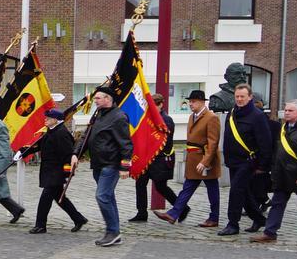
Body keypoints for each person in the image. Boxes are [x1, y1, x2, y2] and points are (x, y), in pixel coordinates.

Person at [250, 100, 297, 244]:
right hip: (282, 174)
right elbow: (278, 151)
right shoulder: (284, 128)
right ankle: (270, 232)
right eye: (285, 110)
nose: (286, 113)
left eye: (290, 110)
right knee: (277, 203)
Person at [156, 90, 220, 228]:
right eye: (190, 101)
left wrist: (205, 161)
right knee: (187, 188)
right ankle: (173, 214)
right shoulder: (192, 116)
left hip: (205, 159)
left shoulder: (211, 117)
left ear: (202, 102)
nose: (190, 104)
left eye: (193, 101)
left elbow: (213, 142)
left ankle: (214, 217)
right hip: (193, 159)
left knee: (212, 189)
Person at [17, 108, 87, 234]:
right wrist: (23, 151)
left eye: (48, 118)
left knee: (45, 198)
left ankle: (40, 225)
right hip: (49, 170)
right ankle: (79, 219)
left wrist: (67, 172)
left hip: (56, 172)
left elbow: (68, 154)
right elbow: (39, 145)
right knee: (60, 198)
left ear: (55, 120)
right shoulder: (51, 131)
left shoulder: (61, 133)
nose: (45, 120)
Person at [80, 87, 133, 247]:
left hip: (111, 164)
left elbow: (126, 143)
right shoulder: (99, 114)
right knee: (108, 197)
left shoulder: (118, 117)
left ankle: (112, 232)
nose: (94, 101)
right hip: (98, 163)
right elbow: (87, 136)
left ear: (108, 99)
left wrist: (125, 166)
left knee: (102, 196)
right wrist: (76, 153)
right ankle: (115, 232)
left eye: (98, 98)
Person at [218, 84, 272, 236]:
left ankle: (233, 224)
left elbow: (265, 142)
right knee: (244, 192)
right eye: (237, 96)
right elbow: (228, 137)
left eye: (242, 96)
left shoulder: (257, 116)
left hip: (248, 161)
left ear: (250, 97)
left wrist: (263, 165)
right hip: (233, 160)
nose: (239, 99)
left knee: (236, 190)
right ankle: (259, 219)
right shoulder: (232, 113)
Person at [130, 94, 177, 223]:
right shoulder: (147, 118)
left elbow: (165, 141)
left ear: (161, 104)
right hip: (146, 158)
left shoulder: (166, 120)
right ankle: (141, 212)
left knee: (161, 187)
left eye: (155, 105)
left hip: (159, 159)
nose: (152, 108)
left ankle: (181, 207)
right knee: (140, 183)